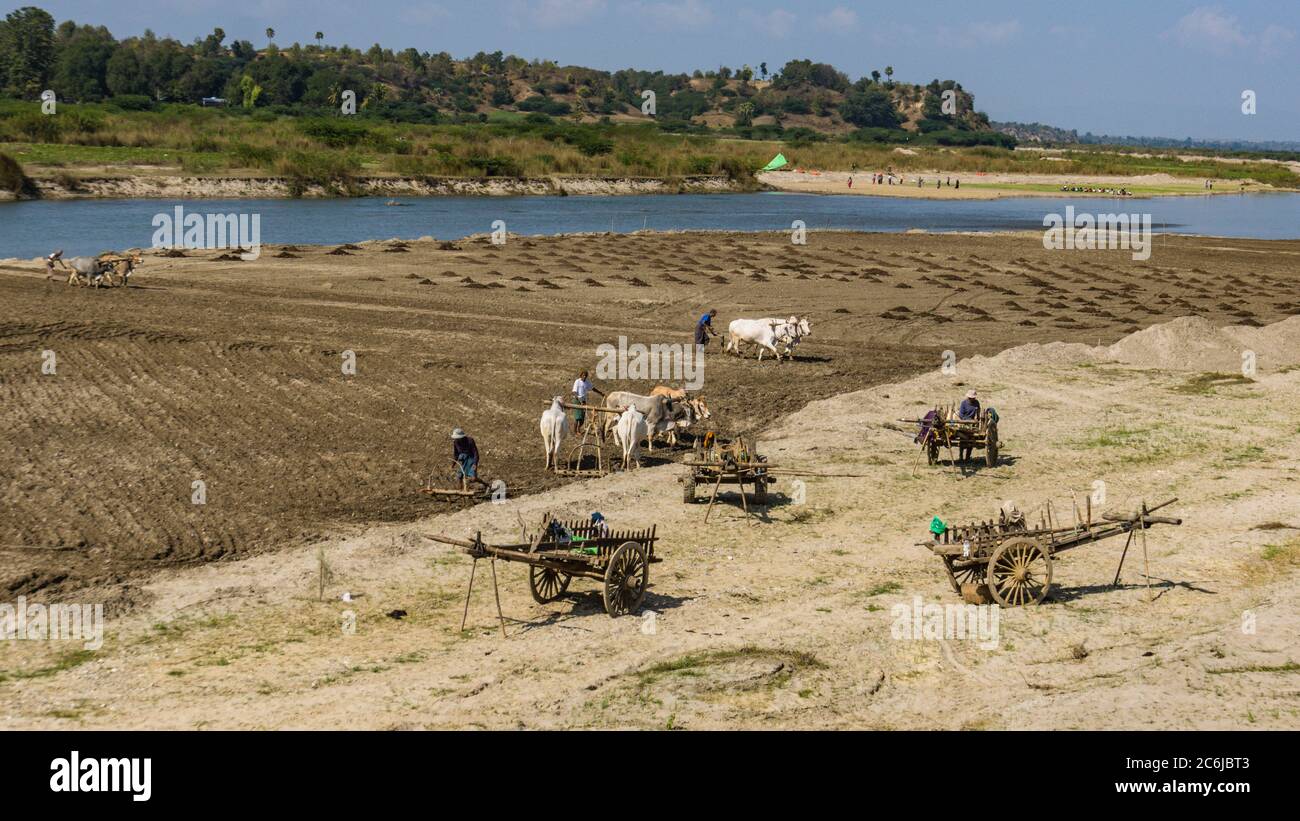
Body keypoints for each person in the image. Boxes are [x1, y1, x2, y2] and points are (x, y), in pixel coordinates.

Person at [957, 389, 980, 462]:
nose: (972, 399)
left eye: (973, 398)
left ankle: (967, 457)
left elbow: (978, 412)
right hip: (963, 423)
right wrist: (968, 420)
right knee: (962, 440)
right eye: (971, 398)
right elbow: (961, 414)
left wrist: (977, 419)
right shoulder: (963, 403)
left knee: (971, 440)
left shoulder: (976, 403)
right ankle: (960, 456)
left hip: (972, 424)